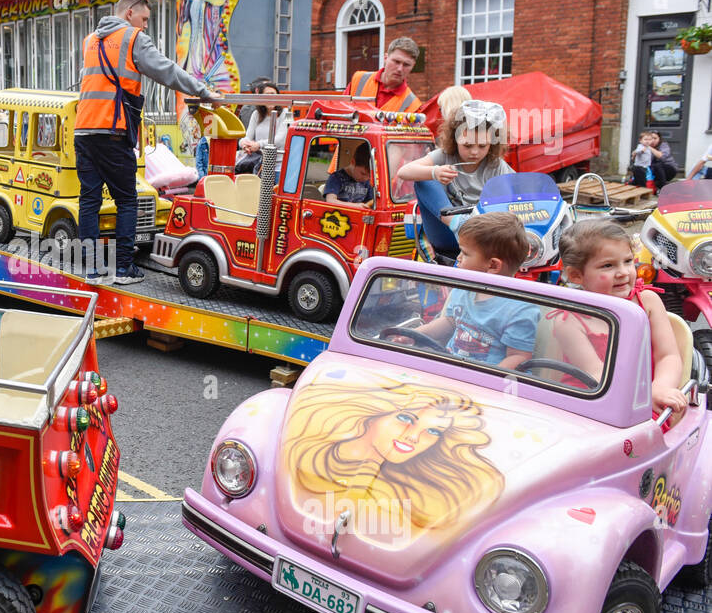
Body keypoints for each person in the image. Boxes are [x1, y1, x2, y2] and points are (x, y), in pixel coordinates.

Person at [76, 0, 220, 284]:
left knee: (89, 201)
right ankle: (124, 269)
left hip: (84, 130)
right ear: (129, 13)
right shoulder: (132, 38)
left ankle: (89, 269)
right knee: (128, 200)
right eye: (144, 19)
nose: (145, 26)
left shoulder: (90, 41)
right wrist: (203, 92)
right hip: (112, 131)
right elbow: (166, 71)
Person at [285, 376, 502, 530]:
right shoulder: (313, 452)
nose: (414, 437)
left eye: (434, 431)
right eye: (406, 419)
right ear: (374, 413)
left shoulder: (422, 494)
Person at [554, 219, 687, 421]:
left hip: (644, 398)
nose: (623, 272)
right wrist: (646, 395)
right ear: (576, 275)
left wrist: (660, 388)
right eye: (608, 265)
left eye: (628, 261)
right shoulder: (569, 320)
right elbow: (597, 375)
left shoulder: (647, 301)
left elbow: (667, 356)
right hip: (590, 400)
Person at [398, 213, 538, 370]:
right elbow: (450, 322)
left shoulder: (519, 309)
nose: (458, 258)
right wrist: (411, 334)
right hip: (452, 368)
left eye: (464, 253)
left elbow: (518, 356)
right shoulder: (465, 289)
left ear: (492, 265)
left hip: (487, 383)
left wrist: (488, 379)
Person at [397, 99, 514, 230]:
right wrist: (435, 172)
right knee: (424, 181)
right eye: (467, 145)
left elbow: (517, 195)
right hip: (447, 231)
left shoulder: (496, 165)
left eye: (482, 146)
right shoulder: (444, 155)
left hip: (483, 232)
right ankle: (458, 224)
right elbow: (403, 171)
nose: (475, 152)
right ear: (455, 139)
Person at [344, 37, 422, 112]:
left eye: (406, 65)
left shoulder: (413, 105)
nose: (400, 69)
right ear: (385, 58)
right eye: (396, 62)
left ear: (413, 66)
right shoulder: (359, 80)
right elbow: (340, 109)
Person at [235, 78, 286, 175]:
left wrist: (258, 145)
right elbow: (247, 136)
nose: (270, 98)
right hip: (258, 164)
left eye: (273, 94)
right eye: (267, 95)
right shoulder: (256, 114)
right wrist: (244, 144)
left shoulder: (285, 114)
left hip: (278, 167)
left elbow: (280, 139)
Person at [323, 142, 375, 207]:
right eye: (363, 173)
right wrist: (355, 206)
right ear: (353, 162)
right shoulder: (336, 178)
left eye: (370, 176)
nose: (366, 178)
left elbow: (371, 202)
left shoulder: (367, 181)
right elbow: (330, 200)